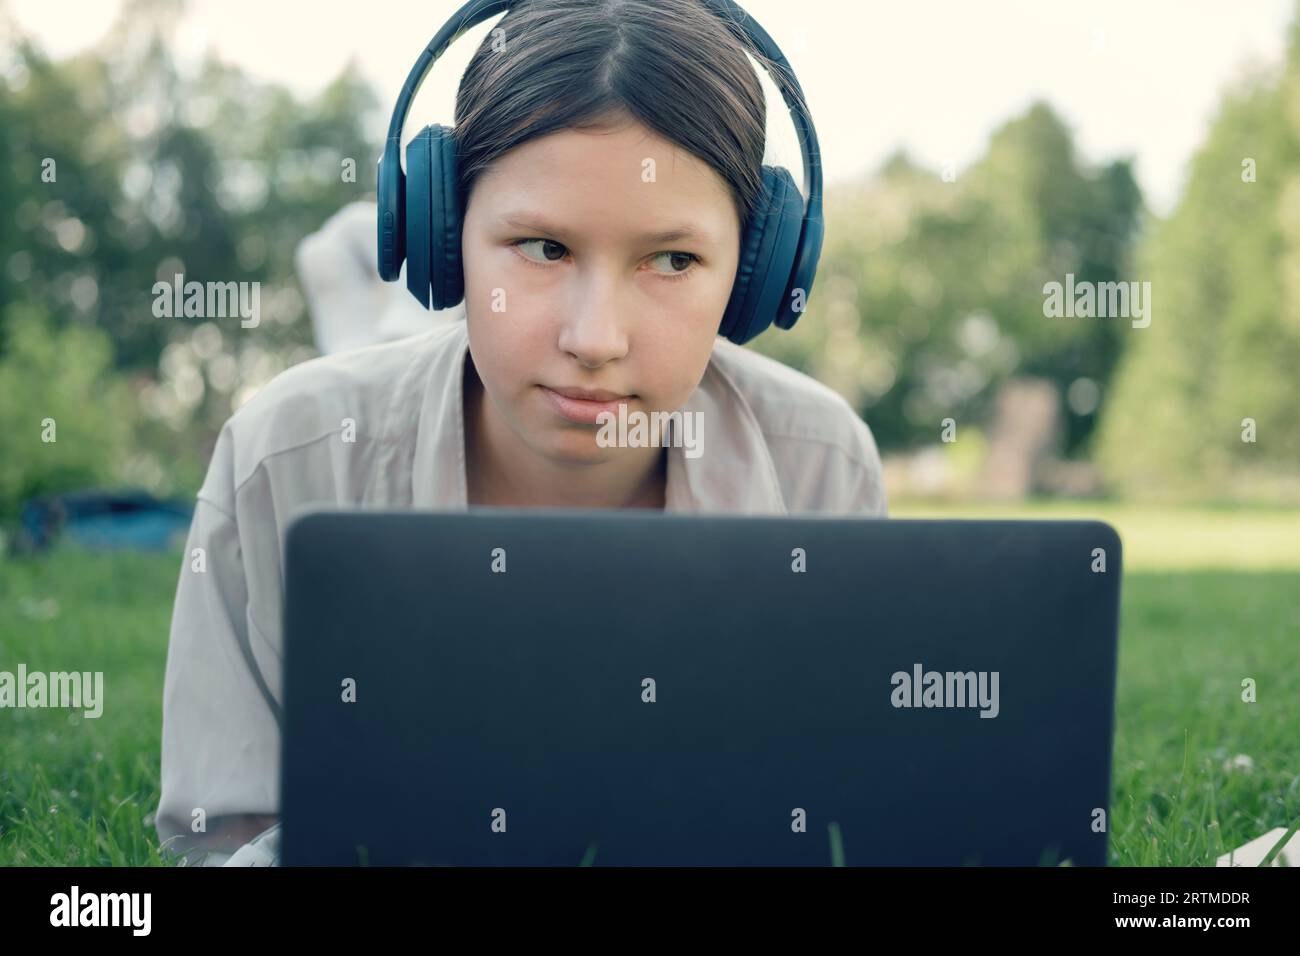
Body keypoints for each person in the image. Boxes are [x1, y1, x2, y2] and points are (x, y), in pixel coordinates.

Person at [154, 0, 887, 867]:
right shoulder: (282, 457)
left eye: (673, 260)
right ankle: (359, 305)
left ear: (757, 274)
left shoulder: (821, 466)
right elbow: (217, 840)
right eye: (542, 247)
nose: (595, 339)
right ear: (441, 234)